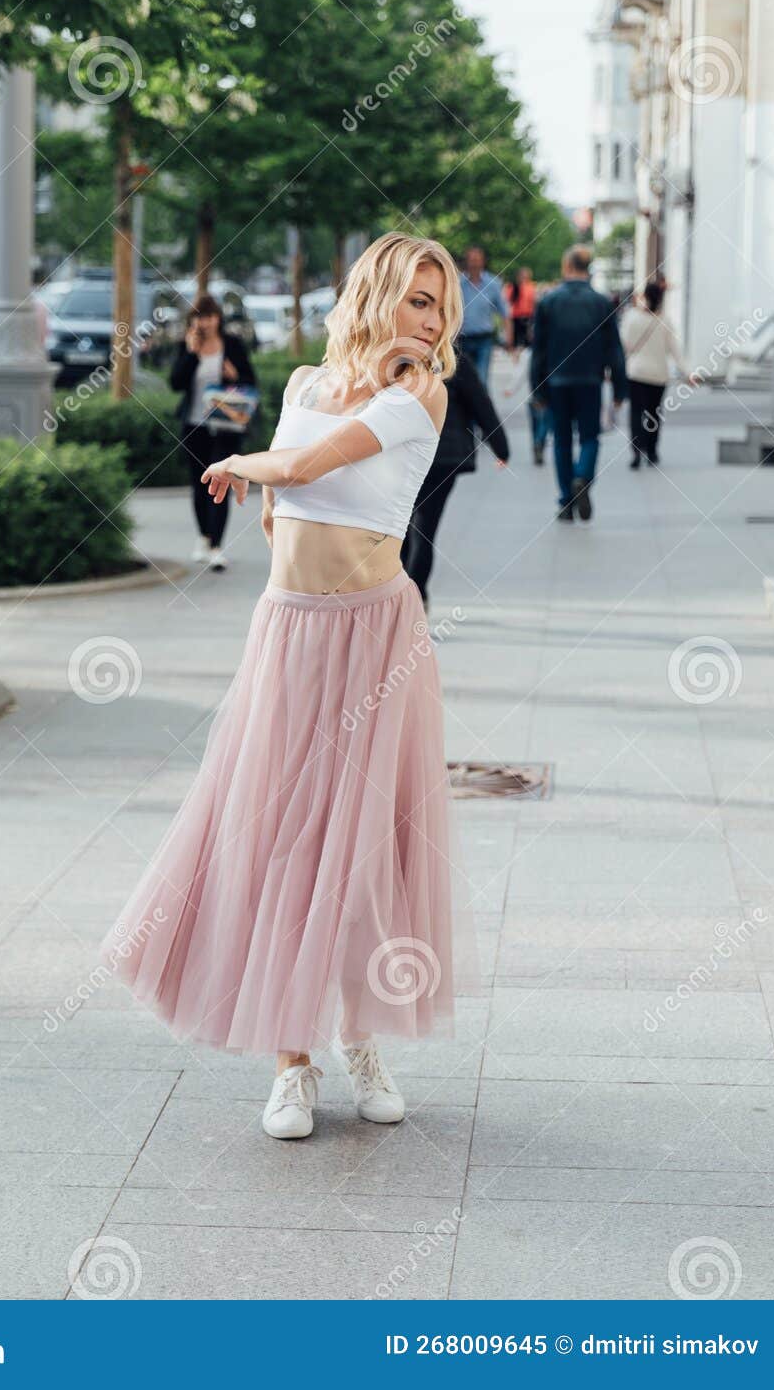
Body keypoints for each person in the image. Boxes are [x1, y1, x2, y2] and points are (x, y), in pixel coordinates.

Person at [104, 234, 480, 1141]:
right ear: (374, 294)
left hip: (374, 637)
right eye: (413, 299)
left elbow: (301, 470)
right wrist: (269, 505)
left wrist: (238, 465)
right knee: (279, 836)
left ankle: (363, 1039)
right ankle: (290, 1063)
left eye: (439, 306)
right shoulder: (308, 383)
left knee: (360, 844)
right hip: (290, 632)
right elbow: (281, 509)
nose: (427, 320)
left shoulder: (418, 393)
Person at [402, 347, 510, 608]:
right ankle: (416, 595)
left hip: (405, 455)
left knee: (401, 526)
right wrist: (501, 447)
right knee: (426, 527)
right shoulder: (451, 358)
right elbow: (480, 402)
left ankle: (403, 593)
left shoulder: (396, 355)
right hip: (445, 455)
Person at [529, 243, 627, 523]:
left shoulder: (548, 302)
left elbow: (539, 350)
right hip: (590, 380)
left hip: (556, 381)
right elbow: (614, 349)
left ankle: (565, 501)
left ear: (567, 267)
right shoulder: (601, 302)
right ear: (587, 268)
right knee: (589, 437)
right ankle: (582, 476)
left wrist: (537, 387)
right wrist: (620, 388)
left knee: (560, 441)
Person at [169, 295, 256, 572]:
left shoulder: (232, 345)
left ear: (218, 318)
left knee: (221, 482)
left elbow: (251, 382)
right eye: (199, 317)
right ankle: (204, 538)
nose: (204, 322)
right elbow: (175, 383)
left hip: (225, 427)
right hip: (194, 425)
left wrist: (234, 376)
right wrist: (192, 354)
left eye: (209, 316)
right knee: (199, 483)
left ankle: (217, 546)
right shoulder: (187, 345)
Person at [620, 279, 696, 467]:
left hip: (635, 372)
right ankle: (652, 451)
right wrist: (688, 374)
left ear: (644, 296)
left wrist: (611, 369)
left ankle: (636, 451)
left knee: (636, 413)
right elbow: (675, 351)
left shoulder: (631, 317)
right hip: (658, 374)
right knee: (654, 413)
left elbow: (623, 345)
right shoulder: (665, 321)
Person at [458, 244, 510, 386]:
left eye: (477, 259)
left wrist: (508, 337)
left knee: (481, 380)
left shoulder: (493, 283)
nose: (474, 262)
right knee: (464, 381)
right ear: (467, 261)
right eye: (471, 259)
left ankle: (481, 407)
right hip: (463, 340)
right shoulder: (458, 283)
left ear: (483, 261)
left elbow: (504, 312)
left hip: (484, 340)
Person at [504, 265, 536, 354]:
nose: (524, 278)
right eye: (523, 275)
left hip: (528, 317)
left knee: (527, 340)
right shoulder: (512, 287)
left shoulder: (531, 287)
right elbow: (507, 302)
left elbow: (534, 302)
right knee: (515, 340)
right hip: (515, 317)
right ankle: (514, 356)